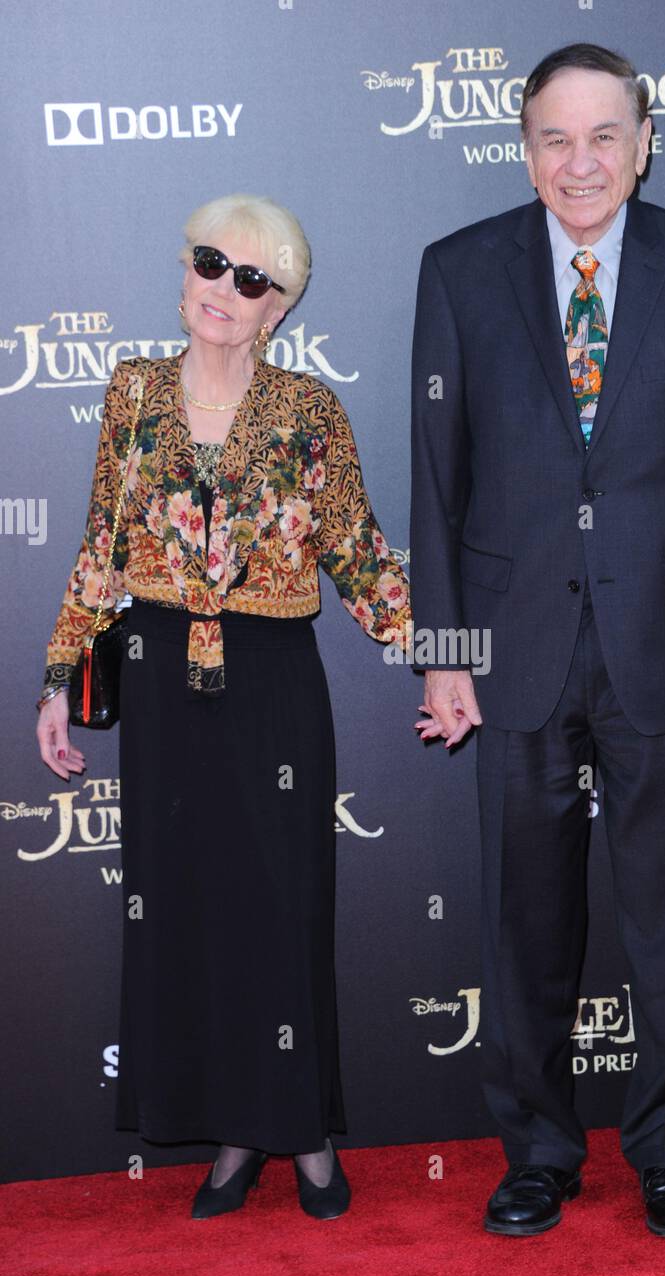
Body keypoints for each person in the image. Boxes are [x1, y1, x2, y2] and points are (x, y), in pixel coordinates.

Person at [410, 43, 665, 1238]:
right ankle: (537, 1153)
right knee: (525, 919)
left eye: (604, 136)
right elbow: (438, 480)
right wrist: (445, 647)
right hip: (512, 645)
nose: (581, 163)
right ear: (523, 150)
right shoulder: (456, 270)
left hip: (664, 642)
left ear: (645, 142)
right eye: (555, 139)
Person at [37, 193, 411, 1220]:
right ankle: (236, 1135)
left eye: (253, 279)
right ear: (186, 269)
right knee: (186, 915)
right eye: (212, 263)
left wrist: (438, 651)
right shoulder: (133, 392)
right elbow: (101, 543)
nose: (224, 289)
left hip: (272, 684)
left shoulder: (309, 410)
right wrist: (61, 675)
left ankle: (307, 1133)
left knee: (280, 913)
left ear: (278, 307)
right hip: (158, 677)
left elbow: (357, 547)